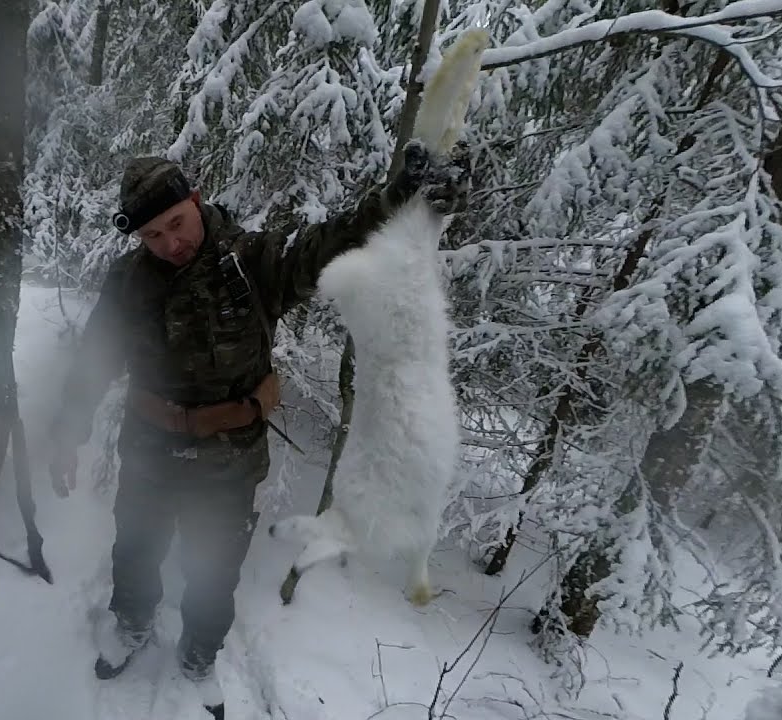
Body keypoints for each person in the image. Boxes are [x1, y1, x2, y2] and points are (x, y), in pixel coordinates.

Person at [48, 140, 471, 715]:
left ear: (195, 200)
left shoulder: (253, 261)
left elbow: (332, 243)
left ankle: (198, 659)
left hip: (230, 458)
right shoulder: (128, 282)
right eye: (153, 236)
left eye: (176, 223)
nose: (170, 244)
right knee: (137, 551)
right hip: (149, 450)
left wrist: (403, 201)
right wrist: (68, 435)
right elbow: (94, 360)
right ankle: (131, 625)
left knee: (214, 568)